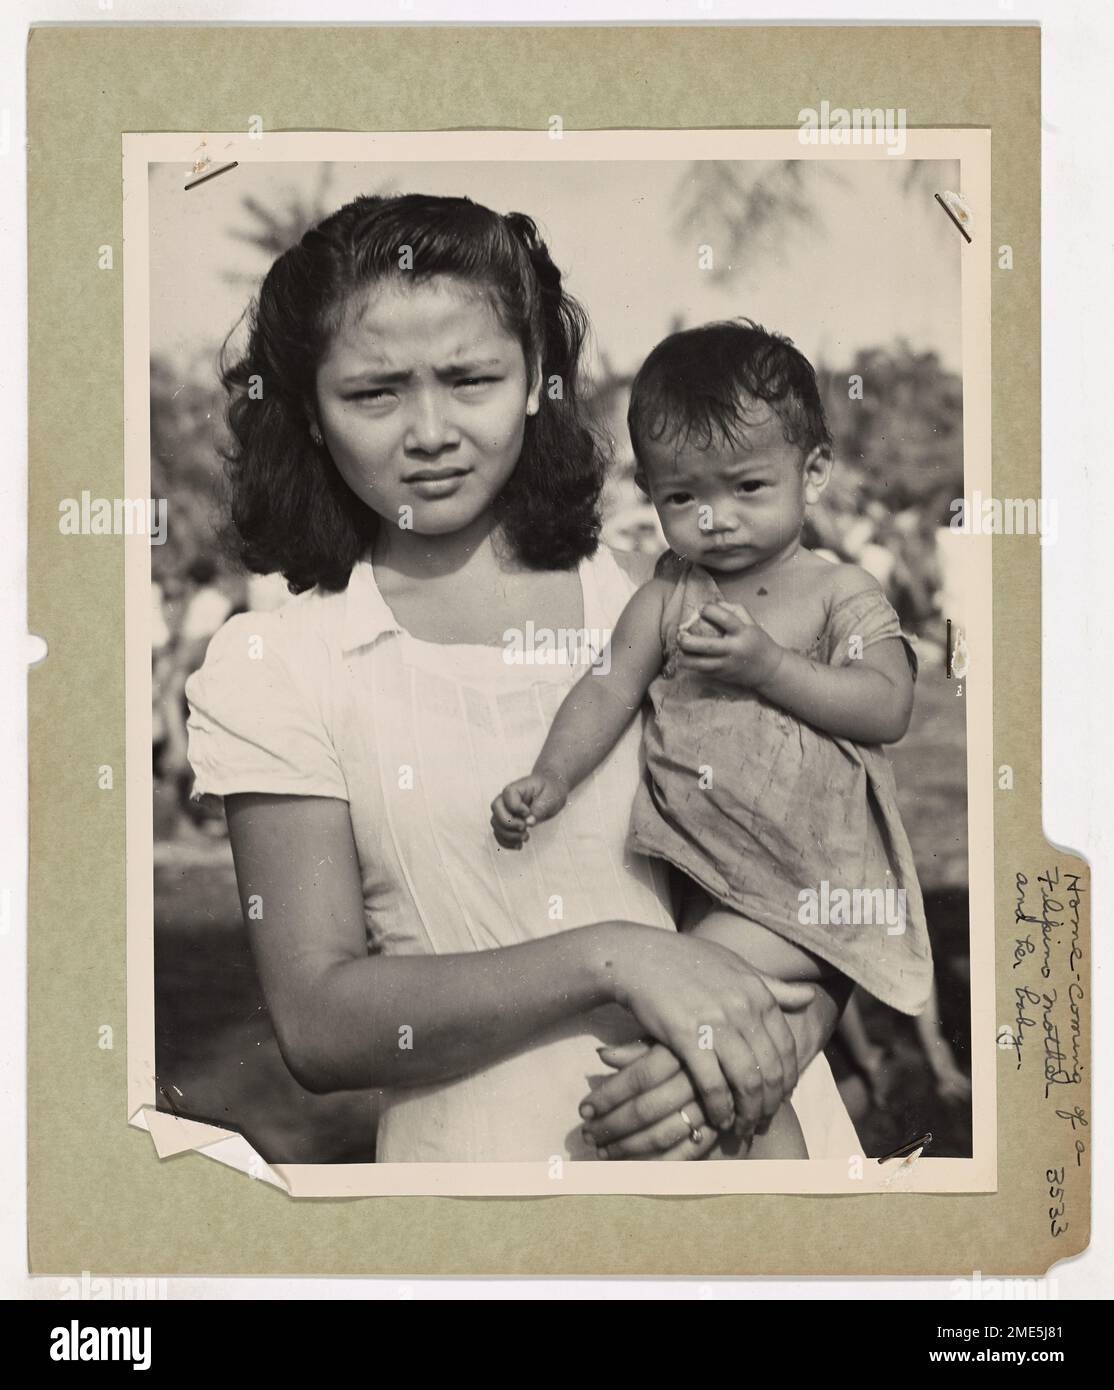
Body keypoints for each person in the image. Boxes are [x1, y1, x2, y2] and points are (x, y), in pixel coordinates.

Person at [185, 194, 859, 1162]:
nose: (429, 430)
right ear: (307, 413)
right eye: (374, 393)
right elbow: (319, 1021)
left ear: (538, 381)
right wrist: (612, 958)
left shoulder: (661, 599)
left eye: (470, 379)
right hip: (486, 1180)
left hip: (749, 1132)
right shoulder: (278, 668)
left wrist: (779, 1036)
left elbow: (817, 880)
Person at [493, 321, 933, 1156]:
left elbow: (887, 706)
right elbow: (607, 685)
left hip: (812, 878)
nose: (715, 519)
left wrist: (769, 667)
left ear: (815, 472)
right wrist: (551, 776)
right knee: (733, 1075)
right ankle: (773, 1233)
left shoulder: (839, 591)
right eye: (682, 498)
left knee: (693, 1051)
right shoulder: (671, 596)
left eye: (746, 488)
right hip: (712, 878)